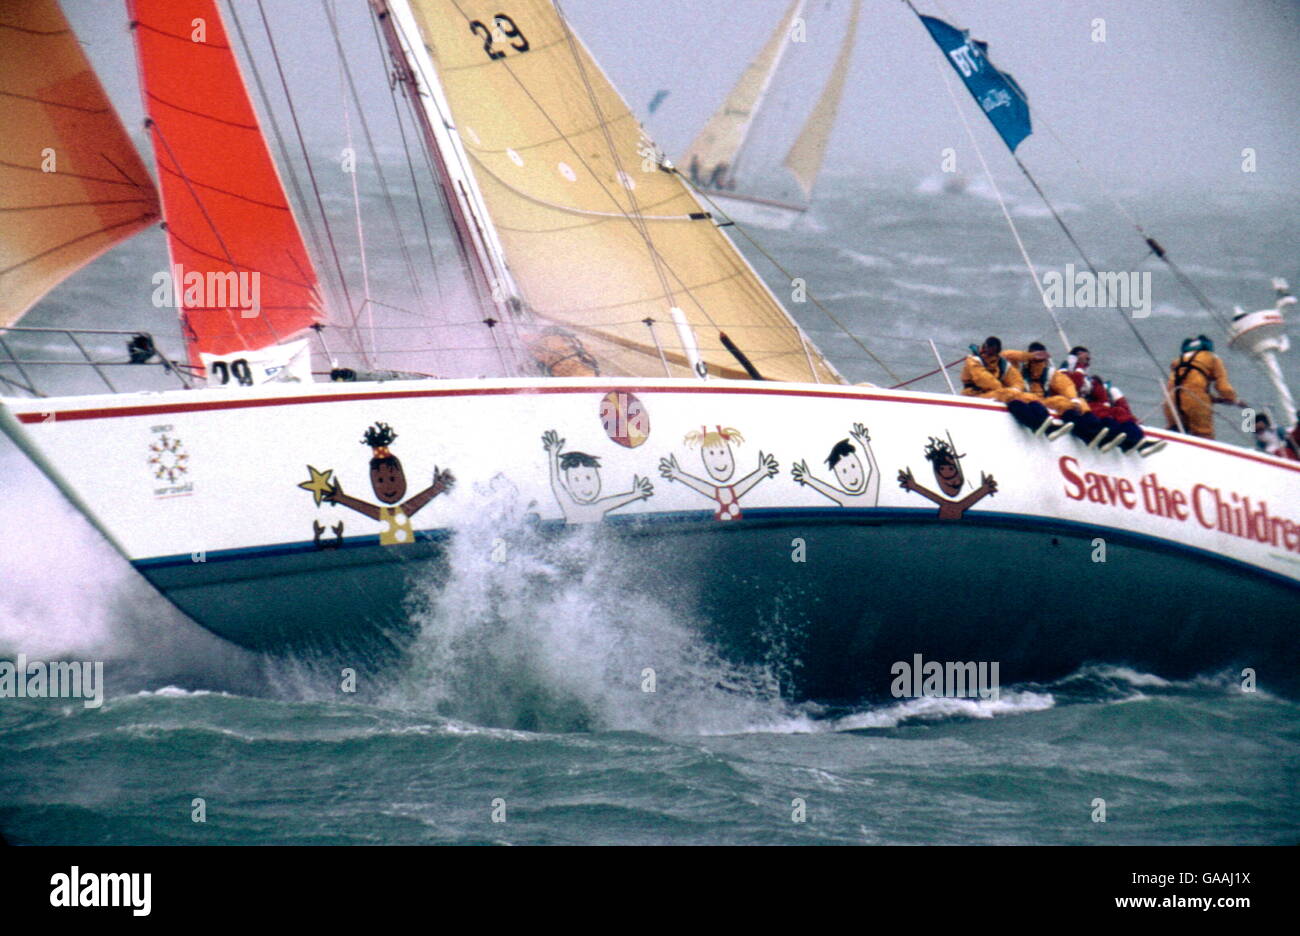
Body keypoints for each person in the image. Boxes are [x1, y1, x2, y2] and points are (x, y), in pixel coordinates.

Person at [1060, 346, 1166, 456]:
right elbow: (1073, 386)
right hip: (1077, 403)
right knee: (1100, 410)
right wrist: (1079, 368)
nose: (1088, 358)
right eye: (1083, 355)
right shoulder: (1065, 373)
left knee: (1118, 411)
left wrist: (1097, 385)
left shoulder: (1090, 378)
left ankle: (1138, 439)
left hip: (1092, 404)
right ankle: (1112, 437)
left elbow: (1101, 397)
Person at [1001, 342, 1086, 440]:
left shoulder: (1049, 372)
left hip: (1042, 401)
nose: (1037, 359)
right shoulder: (1019, 368)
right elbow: (1004, 355)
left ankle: (1083, 428)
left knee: (1061, 401)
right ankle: (1048, 428)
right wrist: (1029, 356)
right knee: (1030, 402)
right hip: (1023, 399)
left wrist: (1073, 400)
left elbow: (1066, 386)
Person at [1164, 335, 1236, 439]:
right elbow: (1223, 386)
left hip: (1171, 400)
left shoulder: (1178, 360)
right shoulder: (1212, 358)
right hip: (1196, 400)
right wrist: (1230, 398)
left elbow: (1180, 384)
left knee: (1174, 432)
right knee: (1203, 435)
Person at [959, 336, 1024, 402]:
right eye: (989, 351)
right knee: (1007, 394)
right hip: (973, 395)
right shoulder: (973, 361)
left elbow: (1017, 381)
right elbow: (986, 381)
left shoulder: (1003, 364)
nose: (990, 355)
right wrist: (1004, 390)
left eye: (994, 352)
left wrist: (1015, 390)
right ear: (984, 348)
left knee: (1026, 397)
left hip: (994, 393)